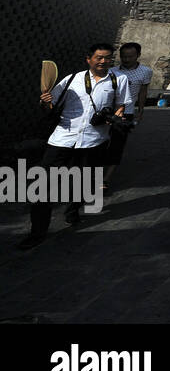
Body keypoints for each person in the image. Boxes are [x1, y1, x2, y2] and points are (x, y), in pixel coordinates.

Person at [20, 43, 133, 250]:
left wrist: (116, 116)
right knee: (42, 187)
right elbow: (50, 104)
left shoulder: (119, 80)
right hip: (62, 139)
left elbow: (122, 104)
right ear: (88, 59)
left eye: (107, 58)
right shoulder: (71, 80)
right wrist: (45, 101)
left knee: (83, 182)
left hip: (94, 141)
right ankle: (37, 233)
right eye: (99, 57)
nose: (103, 61)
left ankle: (73, 210)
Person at [106, 42, 152, 189]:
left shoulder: (145, 72)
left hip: (127, 113)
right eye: (123, 56)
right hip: (107, 112)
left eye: (130, 56)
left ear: (138, 55)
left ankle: (105, 179)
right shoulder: (111, 71)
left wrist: (141, 110)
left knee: (117, 144)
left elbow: (143, 91)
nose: (126, 60)